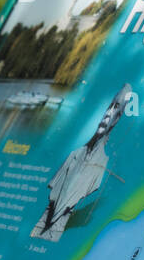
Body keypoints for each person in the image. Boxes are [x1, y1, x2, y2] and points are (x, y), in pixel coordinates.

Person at [32, 83, 132, 242]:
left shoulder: (100, 163)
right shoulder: (75, 153)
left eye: (116, 108)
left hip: (58, 223)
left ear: (117, 119)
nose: (108, 114)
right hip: (48, 220)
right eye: (110, 106)